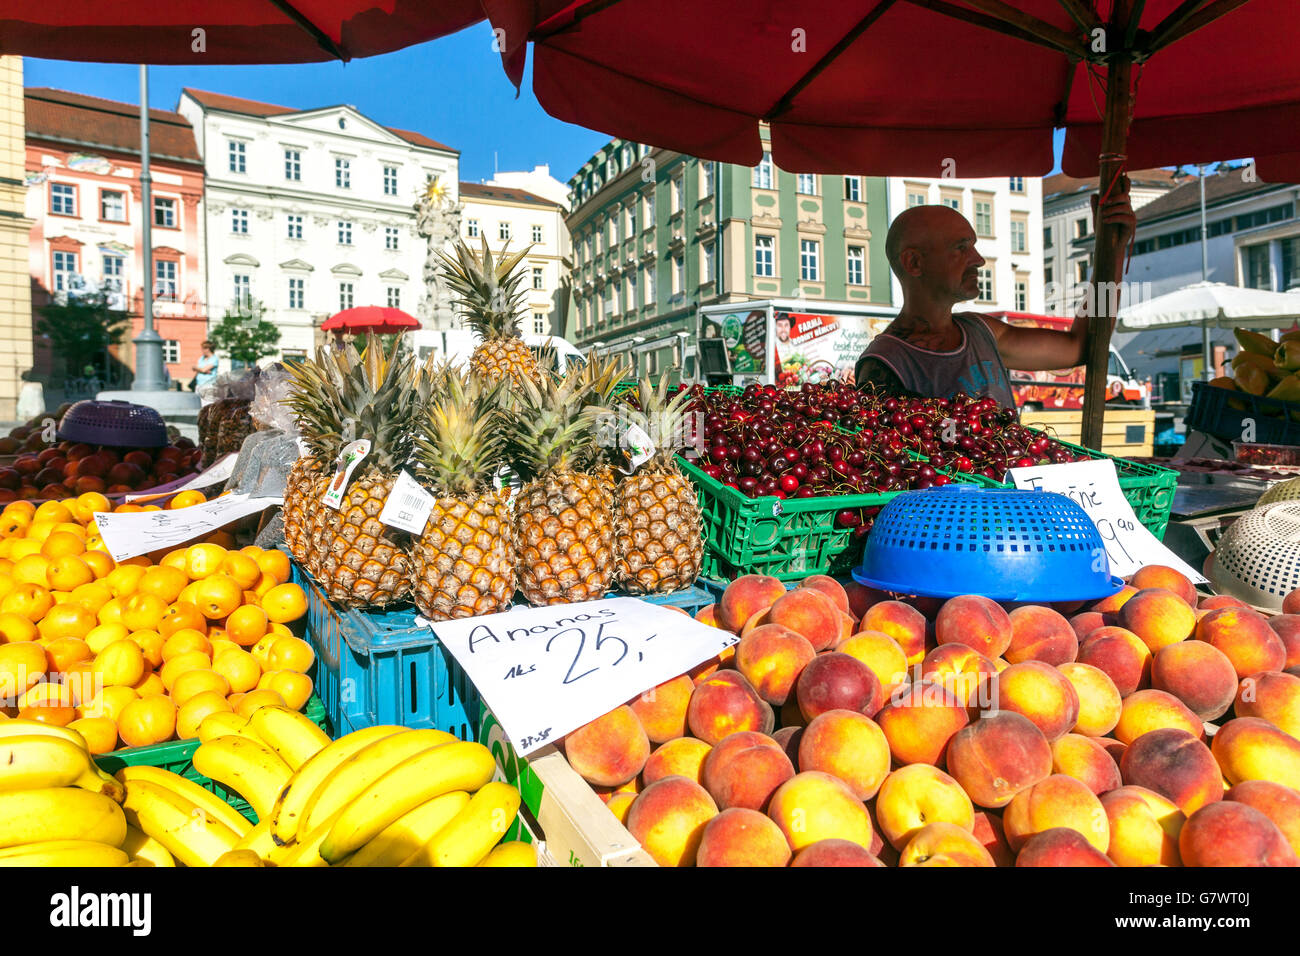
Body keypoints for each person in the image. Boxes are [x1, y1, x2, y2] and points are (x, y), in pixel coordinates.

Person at [855, 178, 1137, 408]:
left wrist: (1110, 251)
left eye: (974, 246)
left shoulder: (982, 331)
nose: (978, 259)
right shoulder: (884, 364)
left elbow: (1083, 346)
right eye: (961, 248)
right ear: (914, 262)